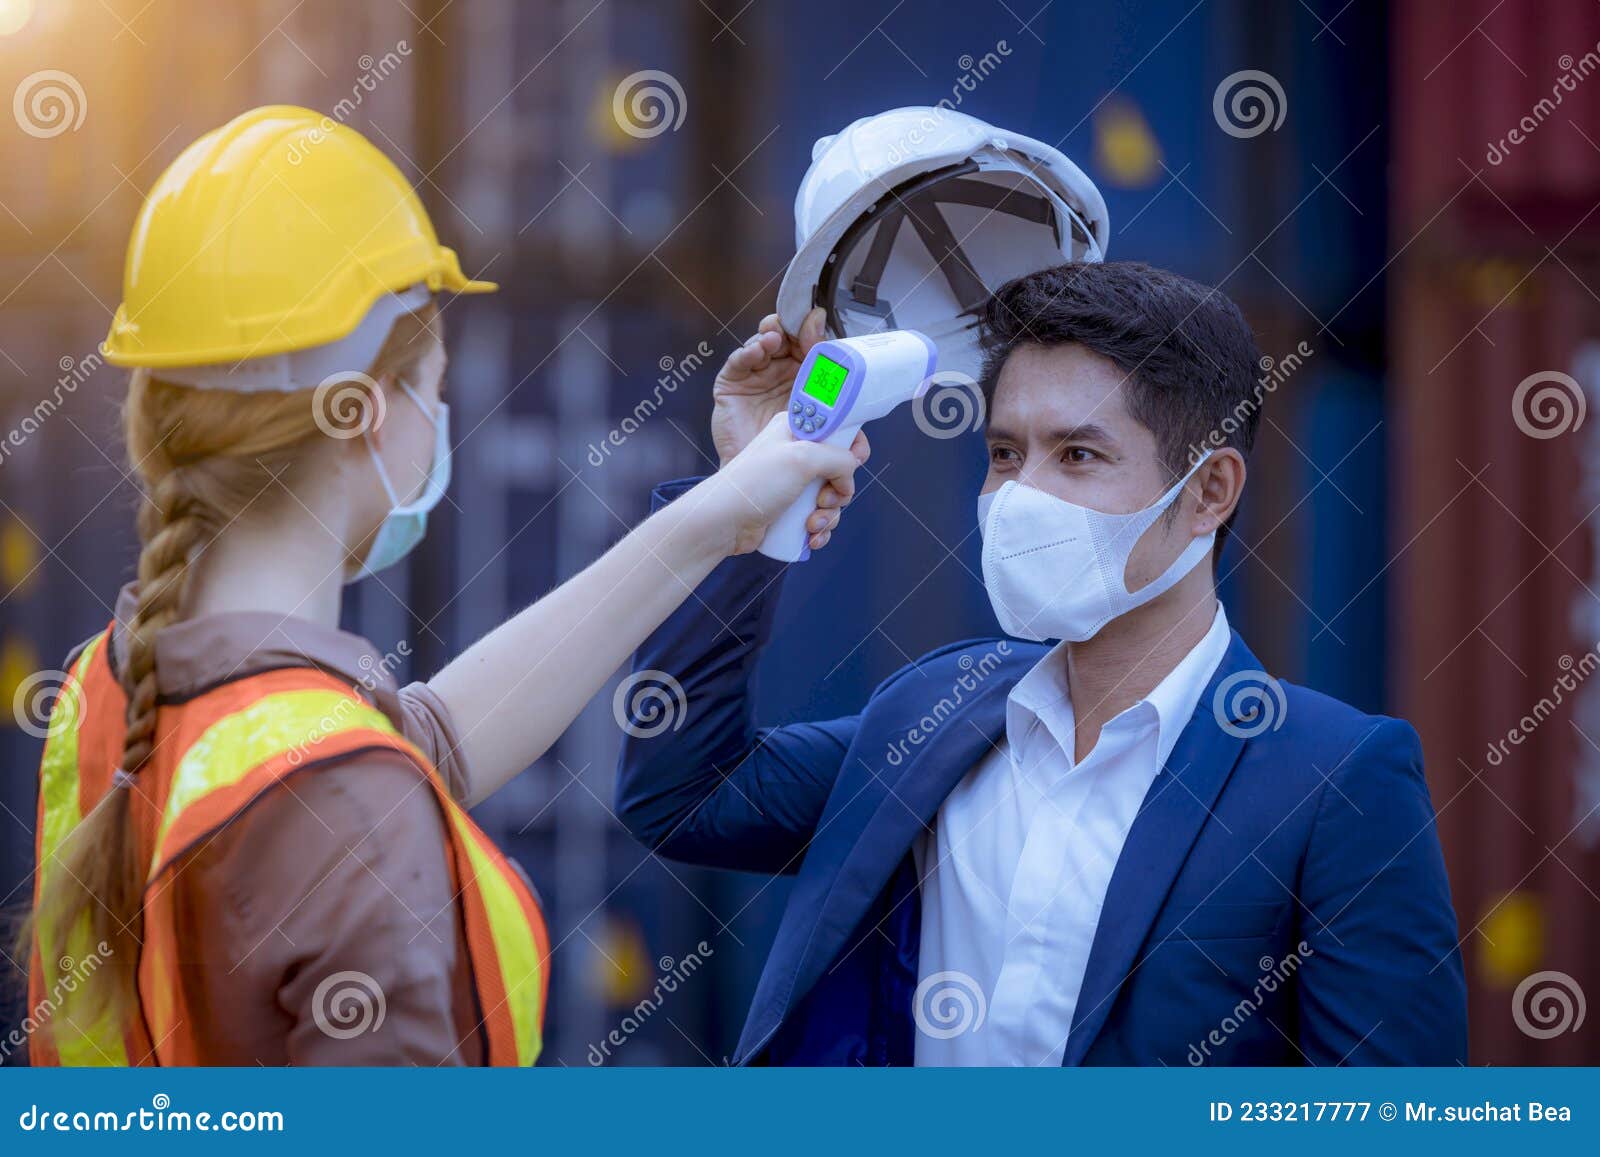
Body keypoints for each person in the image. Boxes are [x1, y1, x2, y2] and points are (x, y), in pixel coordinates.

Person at [21, 106, 860, 1067]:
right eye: (434, 386)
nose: (442, 416)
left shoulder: (112, 683)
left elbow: (425, 742)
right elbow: (366, 791)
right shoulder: (348, 810)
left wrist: (717, 517)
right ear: (368, 415)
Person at [616, 261, 1469, 1066]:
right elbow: (682, 794)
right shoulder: (930, 717)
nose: (1022, 496)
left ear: (1209, 491)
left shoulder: (1337, 780)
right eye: (1004, 454)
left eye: (1078, 455)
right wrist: (747, 500)